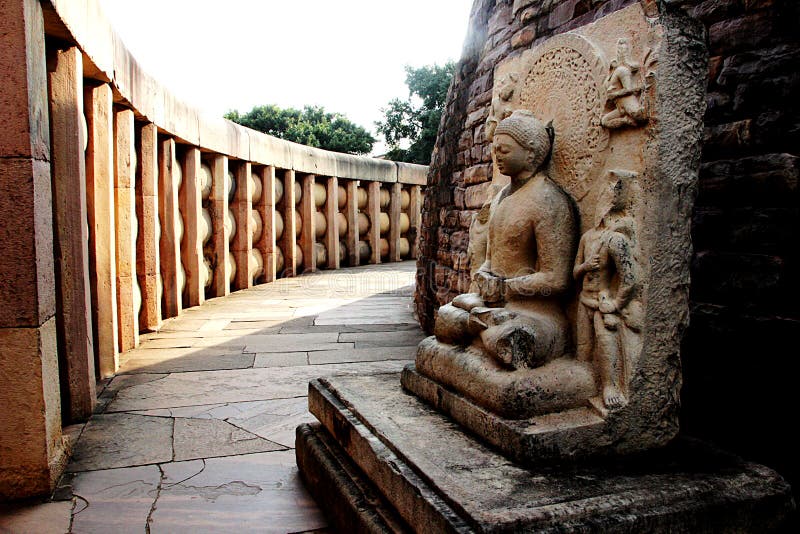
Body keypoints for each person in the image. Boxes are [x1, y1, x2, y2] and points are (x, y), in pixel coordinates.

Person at [432, 110, 577, 369]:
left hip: (535, 313)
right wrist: (485, 276)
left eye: (505, 150)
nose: (496, 155)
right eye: (495, 149)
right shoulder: (500, 198)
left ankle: (482, 337)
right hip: (492, 306)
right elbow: (490, 259)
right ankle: (481, 333)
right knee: (445, 317)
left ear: (530, 154)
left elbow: (556, 279)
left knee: (512, 340)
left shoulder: (549, 201)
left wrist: (506, 288)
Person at [573, 170, 642, 410]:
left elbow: (629, 280)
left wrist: (614, 304)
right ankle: (588, 384)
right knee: (583, 352)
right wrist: (584, 266)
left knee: (606, 343)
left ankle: (609, 385)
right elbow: (574, 273)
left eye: (608, 195)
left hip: (602, 303)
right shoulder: (587, 238)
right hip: (584, 301)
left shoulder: (616, 240)